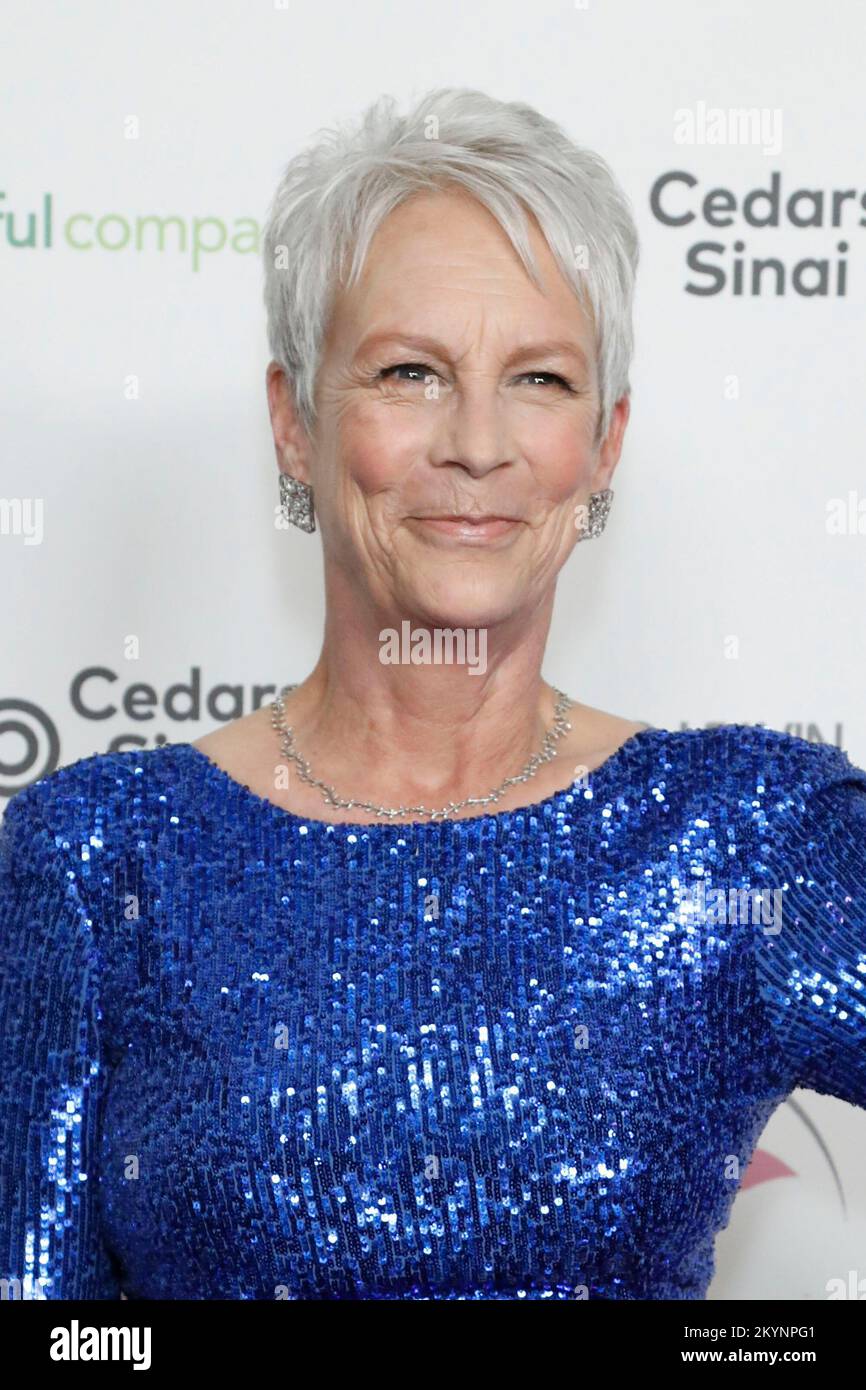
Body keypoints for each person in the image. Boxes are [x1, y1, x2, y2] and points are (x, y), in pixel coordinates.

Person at [1, 87, 864, 1301]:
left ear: (604, 443)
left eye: (540, 380)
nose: (476, 442)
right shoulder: (98, 857)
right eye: (409, 372)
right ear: (294, 422)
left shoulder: (746, 834)